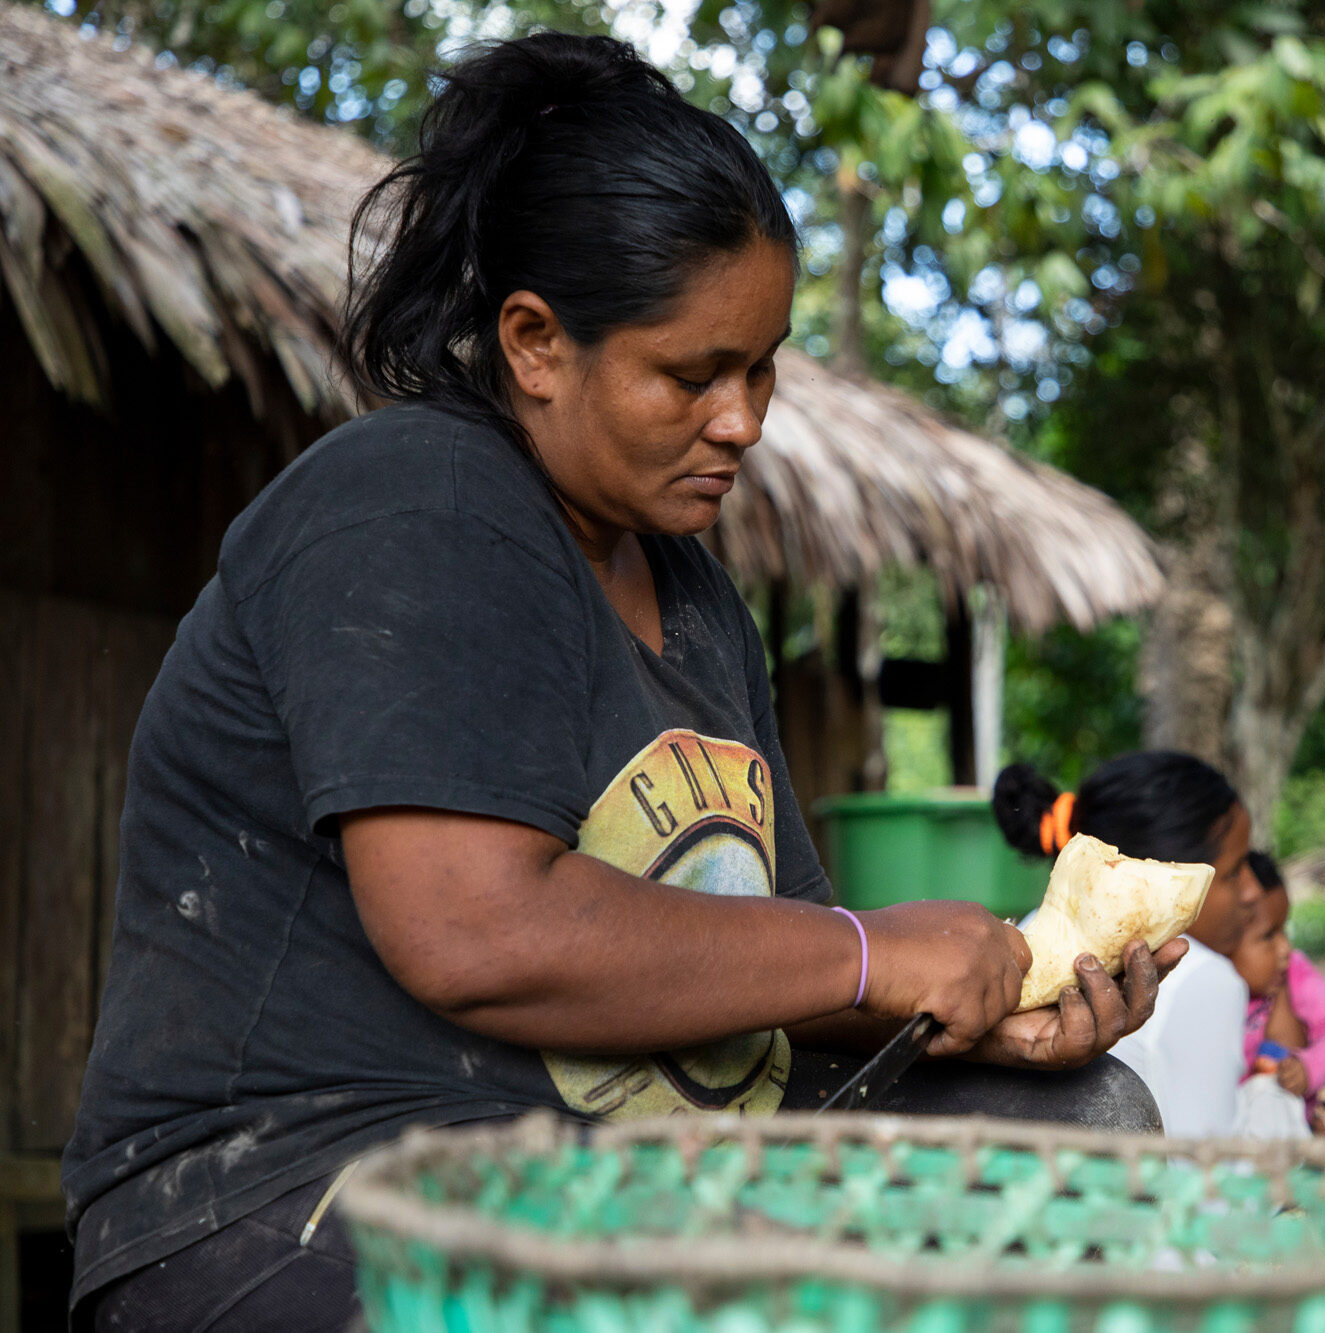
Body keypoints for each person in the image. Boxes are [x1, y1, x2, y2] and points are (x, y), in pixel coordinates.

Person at [62, 34, 1175, 1331]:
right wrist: (875, 951)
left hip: (634, 1164)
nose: (742, 420)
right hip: (311, 1187)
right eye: (692, 374)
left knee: (1081, 1116)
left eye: (761, 368)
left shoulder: (695, 596)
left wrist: (974, 1007)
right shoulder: (415, 502)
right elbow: (474, 932)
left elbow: (787, 964)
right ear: (535, 343)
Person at [993, 753, 1264, 1138]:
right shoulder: (1204, 978)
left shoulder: (1024, 937)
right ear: (1166, 876)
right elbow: (1208, 1166)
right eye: (1234, 871)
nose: (1253, 891)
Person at [1233, 852, 1325, 1138]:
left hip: (1296, 1133)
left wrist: (1308, 1068)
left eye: (1284, 930)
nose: (1285, 948)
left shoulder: (1294, 972)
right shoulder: (1208, 994)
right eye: (1268, 936)